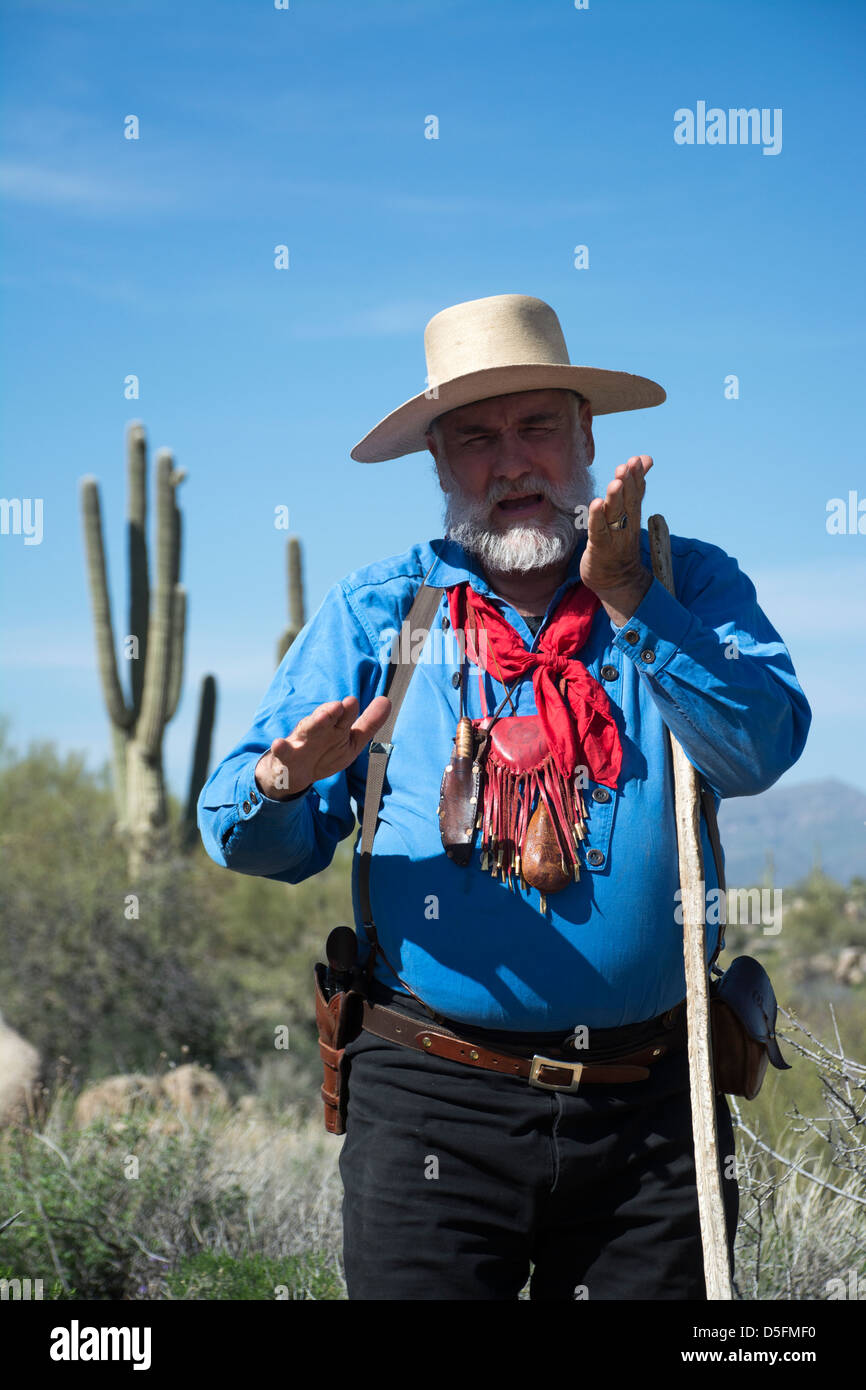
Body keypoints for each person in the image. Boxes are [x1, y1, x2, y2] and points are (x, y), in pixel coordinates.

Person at [198, 293, 811, 1301]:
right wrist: (280, 781)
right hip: (431, 1104)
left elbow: (757, 748)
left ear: (585, 436)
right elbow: (248, 837)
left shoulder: (683, 583)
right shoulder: (381, 609)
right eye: (475, 438)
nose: (510, 463)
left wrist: (634, 606)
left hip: (653, 1109)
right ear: (437, 461)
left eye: (535, 427)